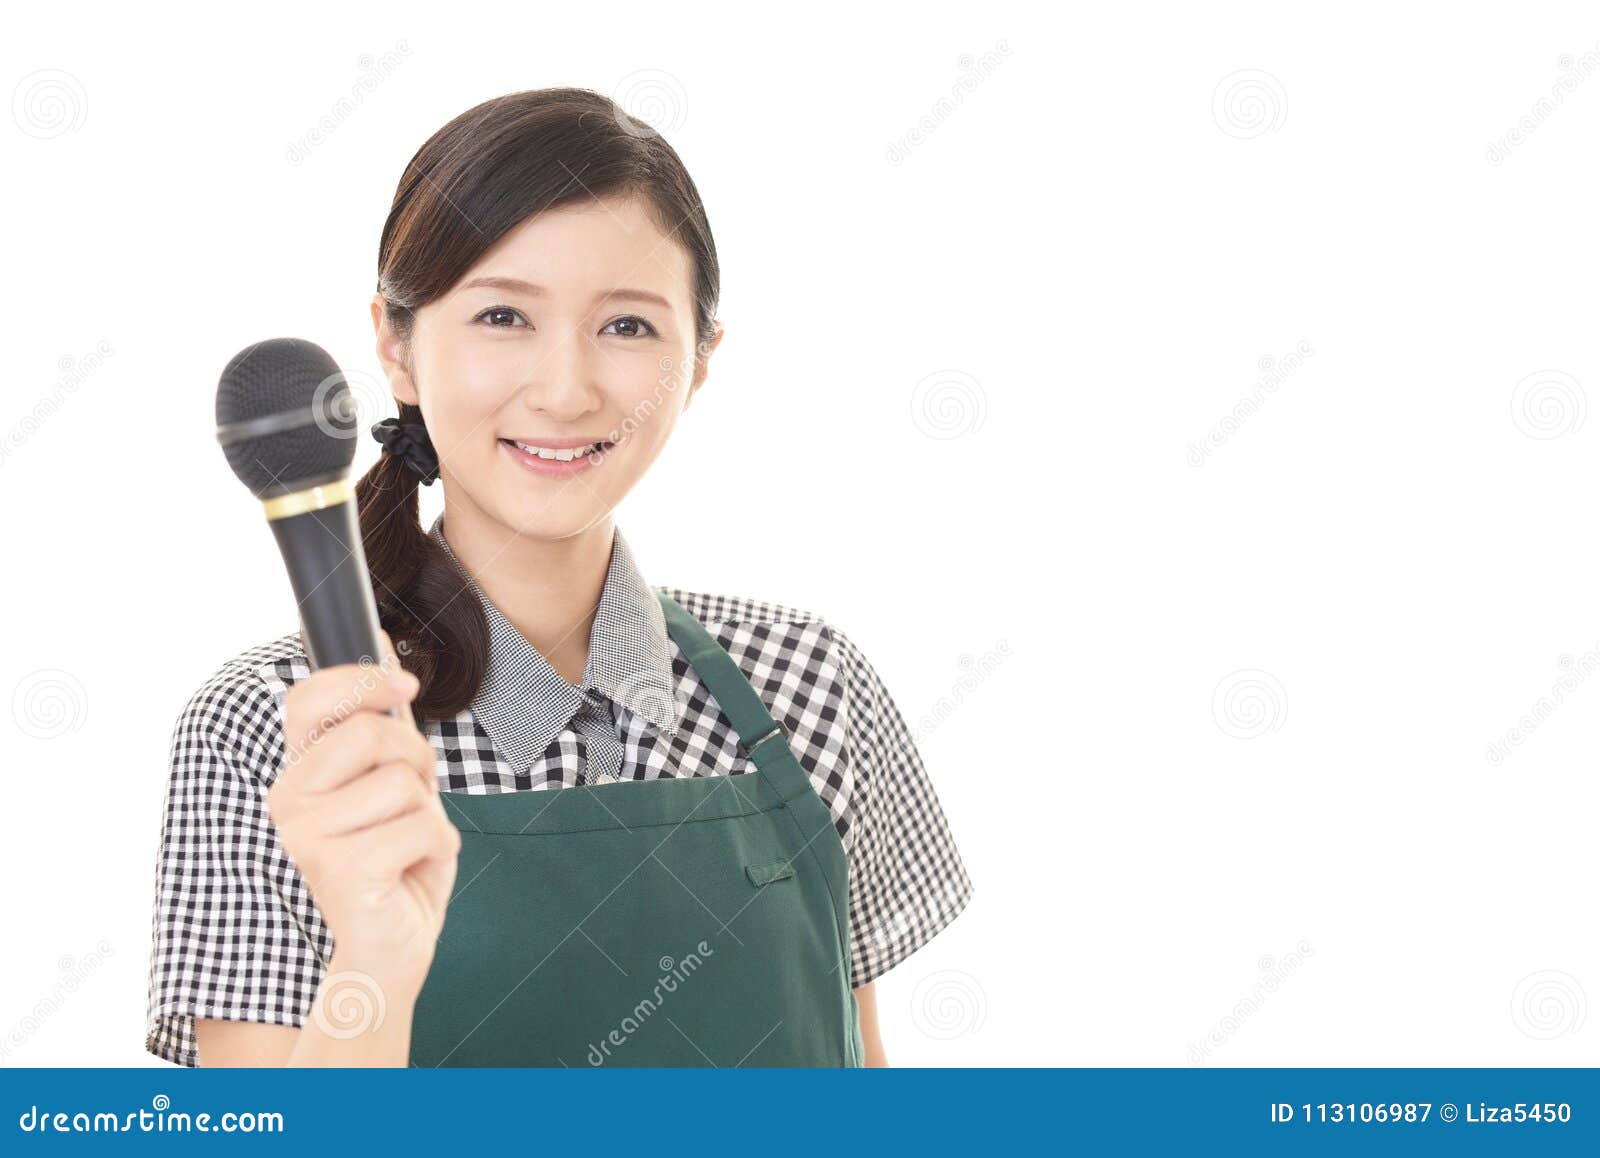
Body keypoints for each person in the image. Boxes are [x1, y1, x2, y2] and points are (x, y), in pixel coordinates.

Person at [146, 87, 973, 1067]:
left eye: (627, 327)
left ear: (700, 362)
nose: (566, 390)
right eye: (503, 315)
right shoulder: (272, 730)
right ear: (396, 348)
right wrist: (374, 958)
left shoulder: (811, 684)